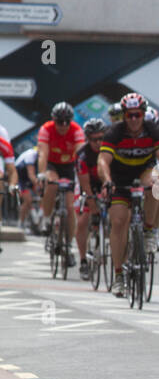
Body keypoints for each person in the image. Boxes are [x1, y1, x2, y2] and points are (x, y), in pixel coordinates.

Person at [97, 92, 159, 297]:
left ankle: (149, 231)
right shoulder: (114, 132)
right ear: (124, 115)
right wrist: (107, 180)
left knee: (157, 181)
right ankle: (119, 275)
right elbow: (103, 161)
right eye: (129, 115)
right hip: (120, 178)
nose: (133, 119)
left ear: (143, 114)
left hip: (144, 172)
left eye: (137, 115)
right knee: (119, 222)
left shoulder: (152, 129)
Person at [37, 102, 86, 268]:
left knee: (70, 207)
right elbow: (42, 153)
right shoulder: (46, 129)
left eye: (67, 122)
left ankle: (68, 243)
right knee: (51, 185)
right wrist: (41, 174)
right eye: (60, 122)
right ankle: (45, 218)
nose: (63, 126)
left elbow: (80, 154)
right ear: (54, 120)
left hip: (69, 166)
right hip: (52, 164)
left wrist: (81, 176)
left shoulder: (76, 130)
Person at [73, 118, 108, 280]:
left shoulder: (109, 150)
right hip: (89, 186)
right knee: (82, 223)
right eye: (94, 139)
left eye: (101, 138)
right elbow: (84, 184)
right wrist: (93, 204)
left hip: (107, 184)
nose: (99, 142)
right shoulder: (82, 155)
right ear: (88, 139)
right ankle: (83, 261)